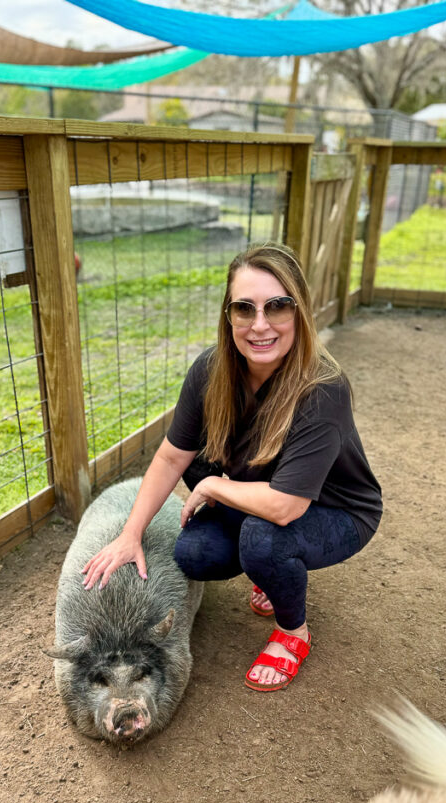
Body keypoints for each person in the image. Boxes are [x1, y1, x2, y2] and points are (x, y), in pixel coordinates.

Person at [82, 243, 382, 692]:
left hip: (334, 509)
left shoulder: (323, 388)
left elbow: (283, 507)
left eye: (278, 306)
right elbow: (170, 457)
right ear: (229, 317)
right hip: (257, 491)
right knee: (194, 554)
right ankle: (273, 575)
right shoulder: (210, 370)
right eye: (245, 308)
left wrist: (216, 488)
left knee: (264, 540)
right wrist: (130, 534)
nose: (260, 324)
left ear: (300, 311)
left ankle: (292, 633)